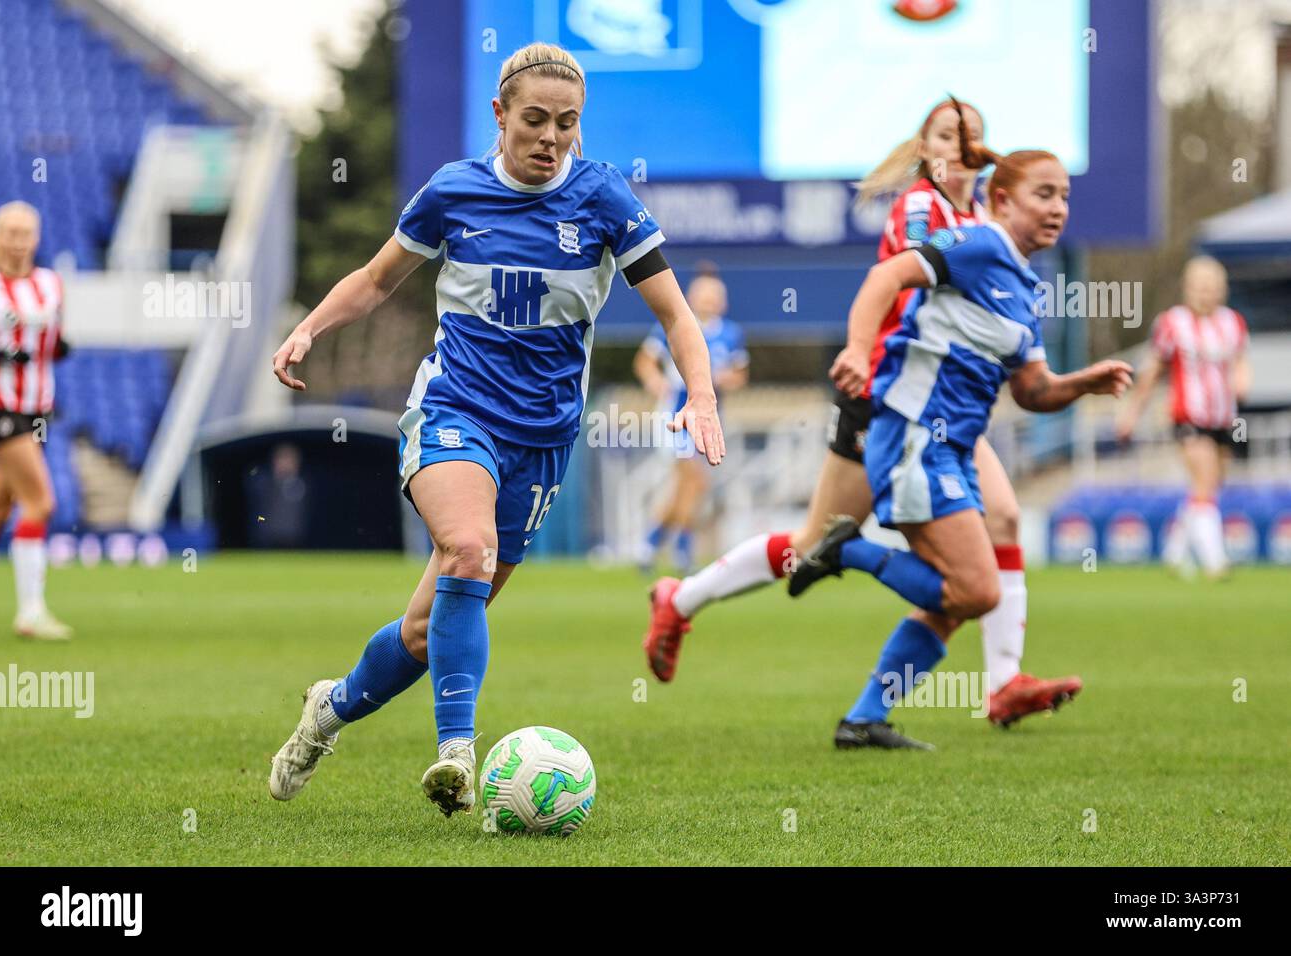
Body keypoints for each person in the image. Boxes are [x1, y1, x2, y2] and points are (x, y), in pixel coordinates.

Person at [268, 42, 725, 816]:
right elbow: (377, 281)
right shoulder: (454, 193)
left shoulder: (605, 200)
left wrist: (702, 392)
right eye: (536, 121)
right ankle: (457, 756)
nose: (551, 139)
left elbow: (677, 313)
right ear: (500, 116)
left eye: (568, 124)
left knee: (428, 629)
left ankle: (329, 710)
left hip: (543, 440)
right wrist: (308, 329)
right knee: (468, 549)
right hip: (455, 411)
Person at [643, 100, 1080, 735]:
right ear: (925, 147)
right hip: (887, 400)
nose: (961, 147)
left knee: (994, 530)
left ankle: (998, 682)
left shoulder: (983, 221)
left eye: (973, 138)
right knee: (810, 546)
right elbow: (910, 290)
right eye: (947, 136)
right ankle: (679, 599)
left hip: (943, 411)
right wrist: (862, 350)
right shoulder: (925, 211)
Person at [788, 138, 1133, 749]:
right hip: (915, 434)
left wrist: (1084, 383)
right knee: (977, 590)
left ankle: (864, 720)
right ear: (1001, 200)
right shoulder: (976, 242)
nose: (1058, 208)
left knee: (950, 599)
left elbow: (1032, 390)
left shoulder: (1026, 290)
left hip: (952, 448)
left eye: (1065, 197)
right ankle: (848, 551)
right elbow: (886, 275)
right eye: (1043, 194)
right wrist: (858, 350)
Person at [1116, 256, 1248, 578]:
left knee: (1211, 484)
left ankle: (1175, 551)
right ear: (1188, 289)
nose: (1207, 294)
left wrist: (1243, 380)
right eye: (1201, 287)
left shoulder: (1233, 323)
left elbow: (1241, 359)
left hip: (1223, 417)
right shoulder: (1173, 324)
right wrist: (1132, 414)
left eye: (1213, 287)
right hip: (1188, 415)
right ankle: (1215, 561)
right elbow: (1152, 371)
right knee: (1204, 479)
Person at [0, 200, 72, 640]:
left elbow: (56, 338)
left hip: (36, 408)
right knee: (40, 502)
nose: (19, 242)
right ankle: (31, 612)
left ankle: (30, 610)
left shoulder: (50, 283)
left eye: (26, 233)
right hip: (0, 407)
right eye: (11, 233)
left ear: (37, 238)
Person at [634, 267, 748, 573]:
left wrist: (724, 379)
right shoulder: (677, 326)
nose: (709, 301)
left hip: (708, 419)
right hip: (675, 415)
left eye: (714, 296)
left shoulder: (731, 333)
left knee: (690, 485)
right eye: (703, 295)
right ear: (691, 298)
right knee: (694, 479)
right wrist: (656, 382)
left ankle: (651, 543)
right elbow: (645, 361)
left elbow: (740, 375)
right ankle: (682, 550)